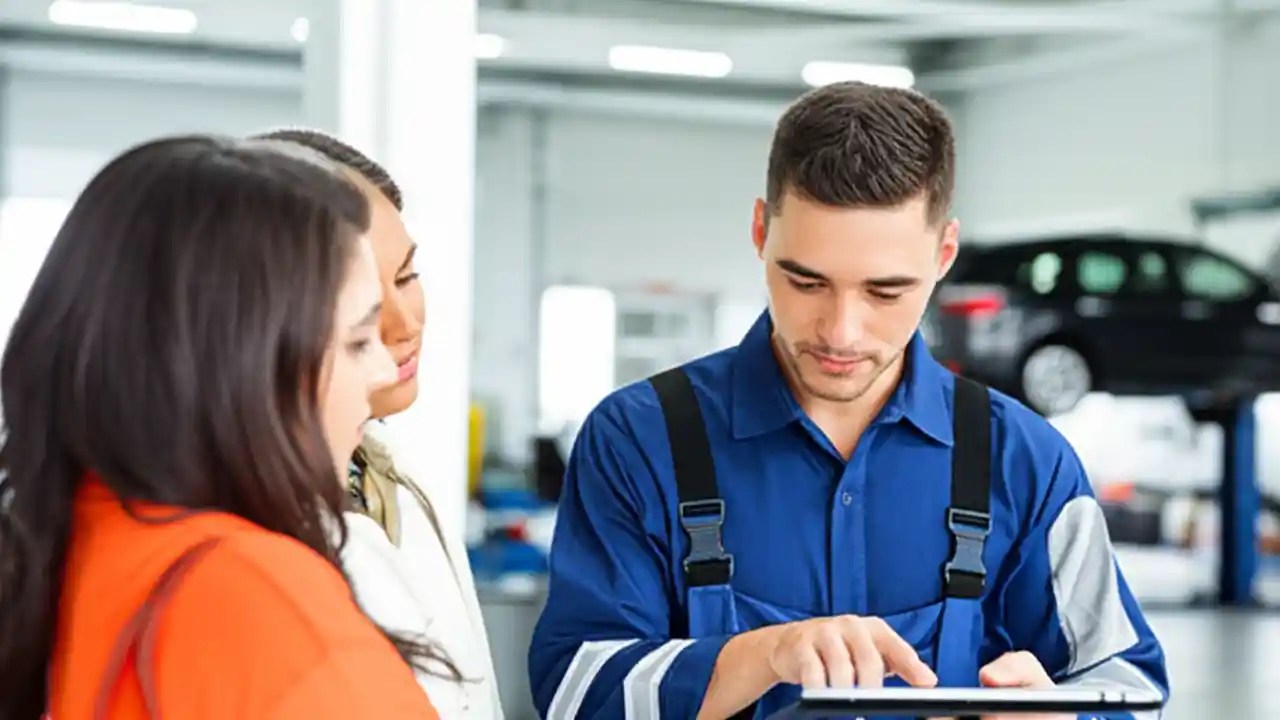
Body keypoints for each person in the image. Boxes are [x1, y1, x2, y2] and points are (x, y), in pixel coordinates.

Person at [527, 82, 1169, 720]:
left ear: (944, 252)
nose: (841, 331)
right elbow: (574, 694)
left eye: (885, 292)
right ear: (760, 230)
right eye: (806, 282)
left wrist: (1063, 715)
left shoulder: (1026, 462)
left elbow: (1131, 694)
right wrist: (764, 656)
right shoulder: (638, 441)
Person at [0, 135, 442, 719]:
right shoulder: (258, 604)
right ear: (245, 365)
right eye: (358, 340)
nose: (383, 367)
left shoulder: (61, 548)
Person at [252, 127, 503, 719]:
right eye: (359, 300)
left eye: (406, 278)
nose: (401, 323)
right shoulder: (246, 527)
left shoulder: (398, 476)